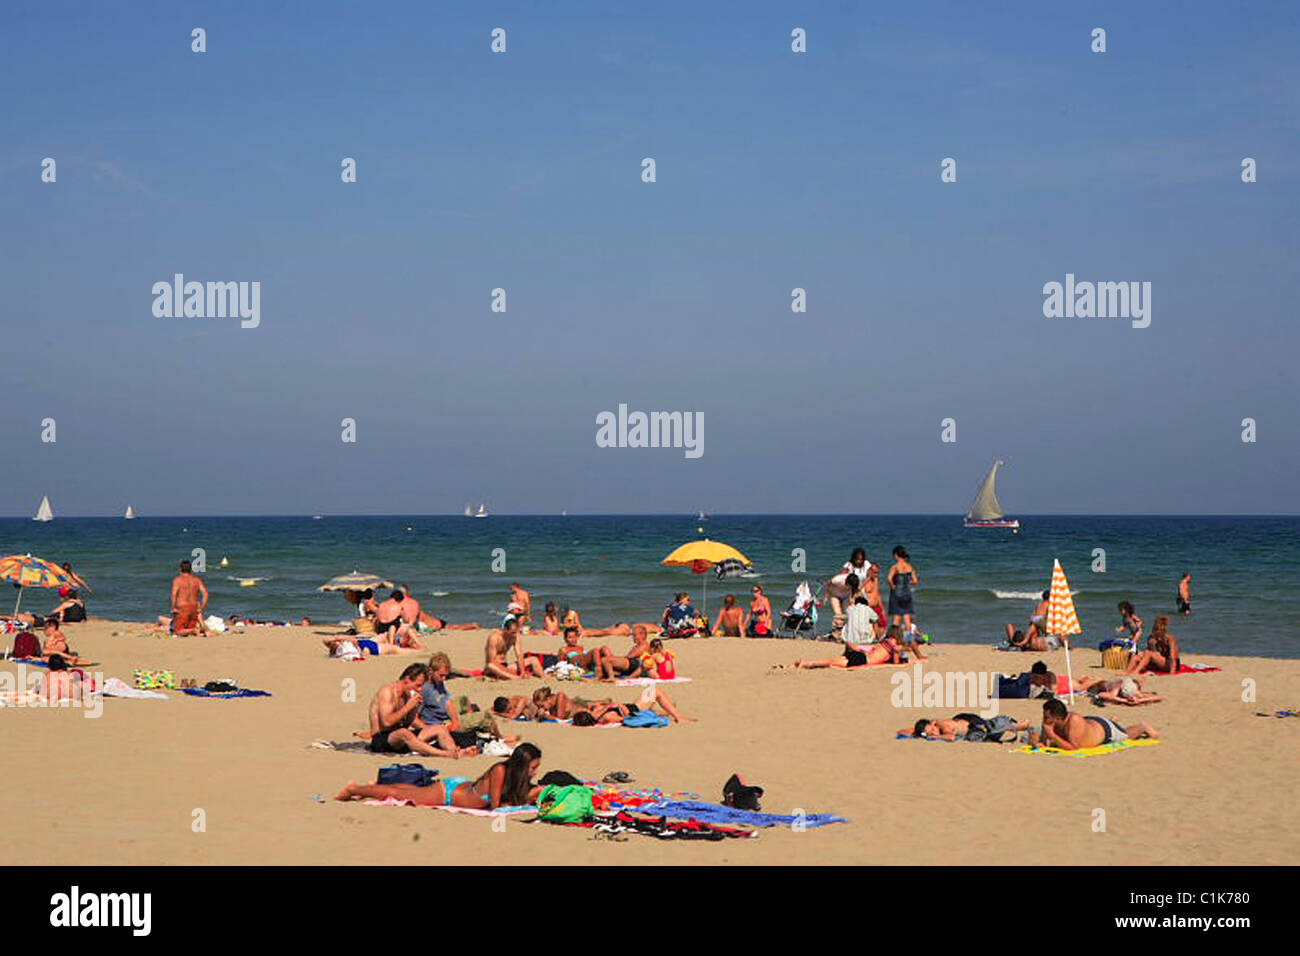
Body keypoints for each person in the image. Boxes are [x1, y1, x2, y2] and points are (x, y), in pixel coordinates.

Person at [335, 743, 544, 809]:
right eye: (533, 767)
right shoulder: (501, 770)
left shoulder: (516, 776)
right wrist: (525, 799)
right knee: (399, 795)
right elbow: (496, 806)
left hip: (460, 788)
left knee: (410, 791)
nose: (535, 772)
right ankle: (354, 788)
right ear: (522, 765)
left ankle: (369, 788)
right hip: (449, 794)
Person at [358, 663, 451, 756]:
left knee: (439, 728)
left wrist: (414, 708)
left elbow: (407, 723)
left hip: (400, 738)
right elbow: (386, 722)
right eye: (418, 685)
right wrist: (408, 707)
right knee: (404, 733)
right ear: (407, 679)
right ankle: (444, 754)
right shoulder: (387, 691)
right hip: (381, 739)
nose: (420, 689)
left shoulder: (407, 694)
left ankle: (454, 751)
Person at [411, 654, 480, 758]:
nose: (443, 679)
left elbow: (447, 702)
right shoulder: (424, 689)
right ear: (431, 671)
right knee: (480, 721)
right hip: (435, 724)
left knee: (466, 702)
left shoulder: (438, 682)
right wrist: (430, 729)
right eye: (441, 675)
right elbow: (414, 719)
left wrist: (455, 721)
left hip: (445, 719)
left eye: (445, 676)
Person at [1033, 698, 1158, 749]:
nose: (1044, 719)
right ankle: (1112, 720)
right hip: (1090, 724)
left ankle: (1142, 727)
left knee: (1126, 735)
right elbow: (1044, 741)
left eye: (1047, 717)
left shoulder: (1073, 721)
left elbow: (1074, 747)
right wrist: (1042, 742)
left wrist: (1052, 735)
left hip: (1105, 731)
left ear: (1057, 718)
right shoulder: (1049, 721)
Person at [775, 623, 905, 670]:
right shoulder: (894, 646)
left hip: (860, 655)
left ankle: (795, 665)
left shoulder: (884, 642)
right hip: (862, 660)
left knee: (830, 662)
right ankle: (805, 664)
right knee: (829, 662)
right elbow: (896, 662)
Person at [570, 684, 694, 725]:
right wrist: (621, 708)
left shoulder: (595, 712)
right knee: (655, 691)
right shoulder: (606, 717)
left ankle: (668, 711)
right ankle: (678, 717)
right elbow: (625, 718)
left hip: (632, 706)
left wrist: (605, 705)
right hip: (636, 709)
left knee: (657, 708)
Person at [169, 559, 209, 636]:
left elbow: (174, 595)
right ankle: (195, 630)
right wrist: (201, 607)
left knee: (177, 632)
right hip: (194, 609)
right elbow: (205, 594)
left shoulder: (177, 580)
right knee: (187, 629)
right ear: (191, 569)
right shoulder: (197, 580)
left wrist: (173, 608)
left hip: (183, 609)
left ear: (180, 569)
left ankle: (194, 630)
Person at [1076, 674, 1164, 706]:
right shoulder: (1117, 689)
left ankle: (1089, 678)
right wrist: (1124, 701)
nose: (1133, 699)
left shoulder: (1135, 692)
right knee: (1085, 684)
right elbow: (1101, 694)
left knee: (1110, 702)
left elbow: (1159, 697)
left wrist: (1141, 700)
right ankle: (1086, 679)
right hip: (1099, 684)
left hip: (1114, 683)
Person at [886, 546, 916, 632]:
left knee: (897, 617)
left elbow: (889, 578)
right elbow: (915, 581)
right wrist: (908, 583)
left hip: (897, 594)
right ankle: (909, 637)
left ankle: (895, 637)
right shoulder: (910, 567)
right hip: (907, 593)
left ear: (896, 555)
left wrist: (892, 586)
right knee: (907, 617)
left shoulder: (895, 567)